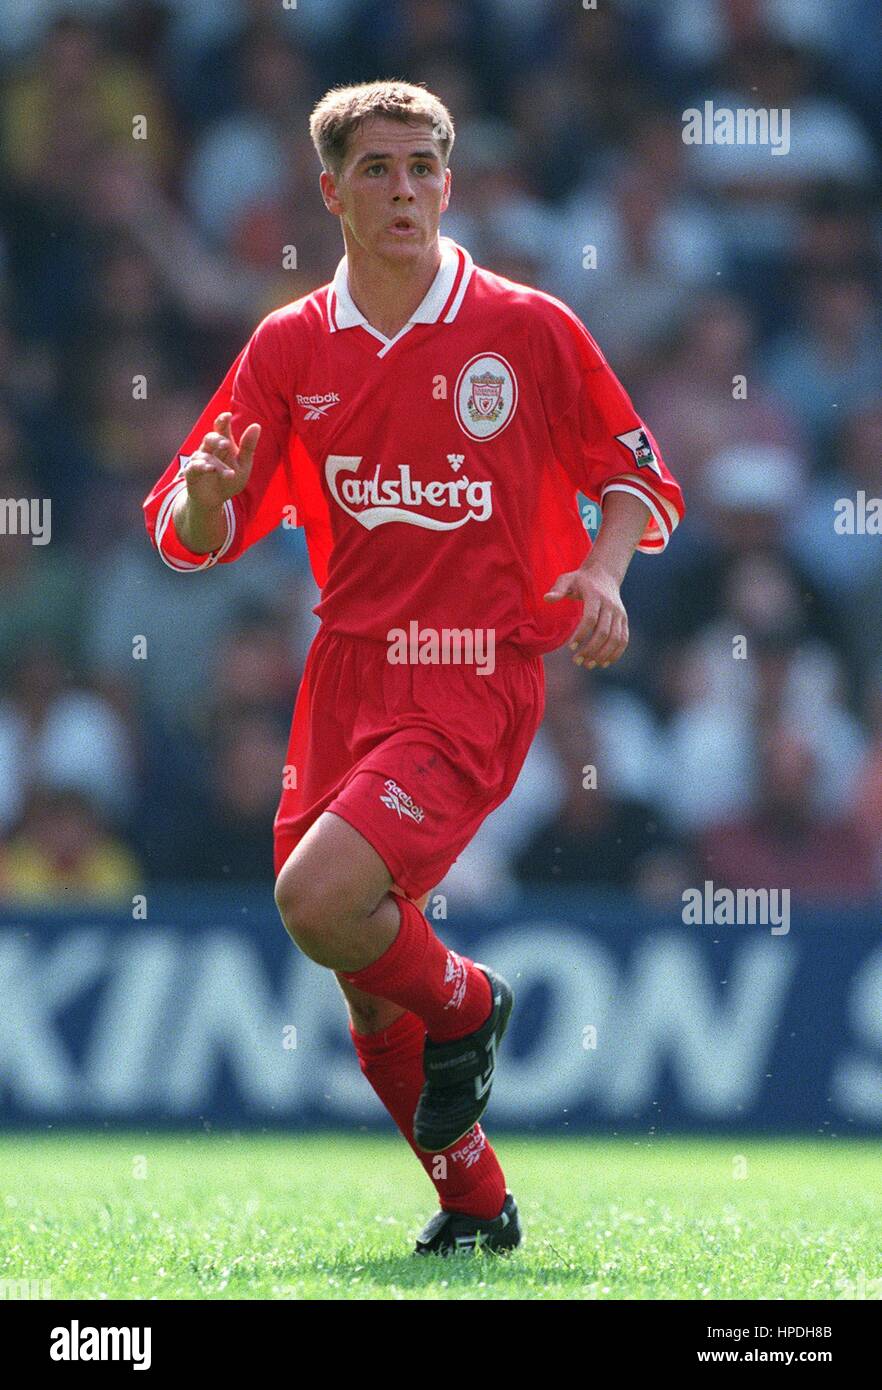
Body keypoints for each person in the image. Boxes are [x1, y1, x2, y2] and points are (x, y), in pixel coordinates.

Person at [143, 80, 684, 1255]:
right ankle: (478, 1205)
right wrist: (203, 495)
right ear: (330, 190)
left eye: (423, 168)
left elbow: (639, 470)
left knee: (319, 899)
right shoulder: (289, 345)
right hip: (343, 672)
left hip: (472, 671)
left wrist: (604, 571)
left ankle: (474, 1003)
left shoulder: (527, 326)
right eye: (377, 169)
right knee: (362, 975)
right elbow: (188, 529)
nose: (405, 190)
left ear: (451, 182)